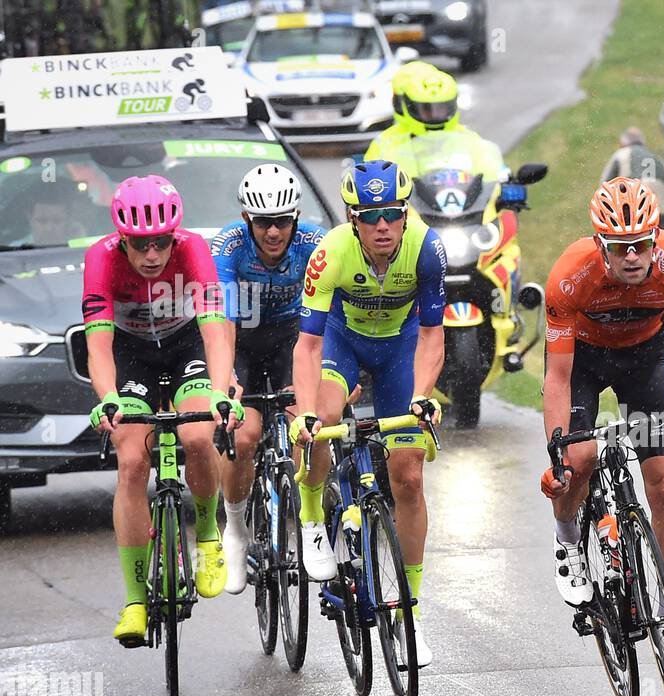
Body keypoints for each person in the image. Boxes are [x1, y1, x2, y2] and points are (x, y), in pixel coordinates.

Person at [540, 177, 664, 675]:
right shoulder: (569, 277)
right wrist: (557, 453)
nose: (632, 256)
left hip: (646, 361)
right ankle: (568, 541)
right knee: (580, 459)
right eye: (619, 247)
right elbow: (558, 377)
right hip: (583, 362)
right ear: (600, 245)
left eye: (640, 244)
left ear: (656, 238)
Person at [291, 159, 447, 668]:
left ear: (405, 214)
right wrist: (306, 413)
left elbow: (432, 335)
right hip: (342, 344)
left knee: (409, 478)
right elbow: (308, 345)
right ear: (352, 219)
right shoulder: (330, 252)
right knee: (322, 422)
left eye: (392, 214)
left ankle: (409, 612)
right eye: (370, 216)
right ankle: (312, 514)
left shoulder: (427, 248)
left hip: (401, 348)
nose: (383, 226)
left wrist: (422, 394)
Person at [84, 174, 243, 646]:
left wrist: (220, 393)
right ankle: (135, 599)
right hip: (132, 354)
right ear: (122, 239)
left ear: (174, 235)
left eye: (160, 242)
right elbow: (99, 346)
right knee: (132, 462)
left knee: (198, 435)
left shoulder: (193, 250)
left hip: (185, 346)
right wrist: (108, 398)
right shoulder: (100, 258)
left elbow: (215, 332)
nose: (152, 254)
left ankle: (208, 533)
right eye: (140, 244)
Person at [210, 163, 327, 593]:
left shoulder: (316, 243)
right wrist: (224, 379)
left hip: (293, 340)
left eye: (281, 221)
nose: (273, 232)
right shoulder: (228, 246)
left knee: (305, 425)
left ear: (296, 217)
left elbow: (333, 316)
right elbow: (222, 322)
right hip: (241, 339)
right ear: (247, 219)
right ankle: (236, 529)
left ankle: (311, 521)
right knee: (243, 437)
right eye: (262, 222)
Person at [365, 62, 509, 183]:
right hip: (410, 207)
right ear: (405, 105)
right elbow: (371, 185)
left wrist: (503, 179)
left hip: (460, 204)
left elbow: (493, 173)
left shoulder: (469, 139)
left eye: (442, 109)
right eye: (426, 110)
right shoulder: (383, 144)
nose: (435, 115)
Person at [600, 127, 664, 232]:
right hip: (663, 204)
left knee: (636, 237)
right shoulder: (654, 155)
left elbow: (605, 185)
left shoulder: (621, 154)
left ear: (623, 143)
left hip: (636, 203)